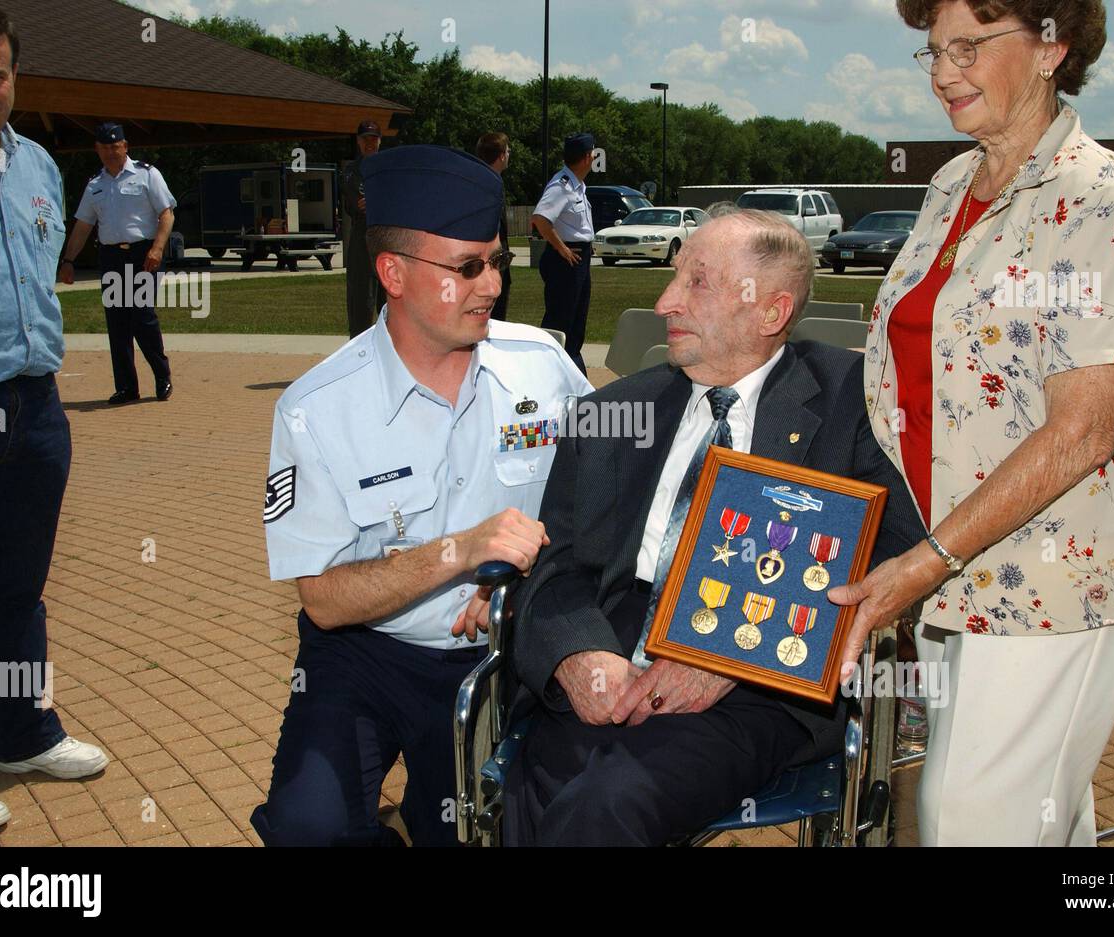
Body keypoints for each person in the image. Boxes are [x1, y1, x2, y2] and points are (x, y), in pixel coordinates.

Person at [835, 0, 1114, 846]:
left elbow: (1085, 431)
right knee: (1036, 814)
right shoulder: (952, 185)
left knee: (967, 819)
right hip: (950, 561)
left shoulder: (1099, 196)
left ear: (1051, 47)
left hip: (1052, 576)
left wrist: (924, 560)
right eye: (934, 51)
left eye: (970, 47)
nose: (945, 71)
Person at [504, 205, 924, 846]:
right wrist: (579, 657)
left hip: (754, 672)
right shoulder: (612, 412)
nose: (666, 302)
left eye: (696, 281)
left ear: (770, 312)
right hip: (612, 640)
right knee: (534, 801)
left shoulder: (852, 401)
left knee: (602, 808)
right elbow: (555, 564)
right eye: (675, 277)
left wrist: (730, 658)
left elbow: (891, 554)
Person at [250, 145, 592, 847]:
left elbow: (602, 497)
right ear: (393, 273)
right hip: (364, 654)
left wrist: (527, 576)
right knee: (306, 827)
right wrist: (460, 551)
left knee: (471, 831)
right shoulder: (316, 408)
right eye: (466, 267)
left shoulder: (543, 367)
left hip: (498, 656)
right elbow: (322, 597)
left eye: (497, 260)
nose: (491, 284)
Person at [0, 0, 108, 836]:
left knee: (17, 589)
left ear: (17, 77)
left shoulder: (42, 165)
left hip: (35, 403)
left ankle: (22, 734)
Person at [59, 122, 175, 404]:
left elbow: (167, 214)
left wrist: (157, 248)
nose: (111, 152)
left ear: (125, 146)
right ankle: (126, 387)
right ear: (97, 150)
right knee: (118, 322)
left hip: (142, 255)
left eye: (116, 147)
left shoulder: (147, 174)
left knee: (142, 317)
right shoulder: (95, 185)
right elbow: (83, 226)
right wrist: (68, 260)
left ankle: (162, 376)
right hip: (111, 257)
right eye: (105, 148)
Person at [532, 132, 596, 372]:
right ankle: (549, 370)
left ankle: (572, 369)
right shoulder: (562, 185)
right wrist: (562, 249)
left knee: (576, 322)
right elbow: (540, 218)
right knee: (561, 321)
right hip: (565, 261)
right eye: (592, 154)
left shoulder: (578, 185)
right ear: (587, 157)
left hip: (579, 258)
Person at [341, 119, 384, 337]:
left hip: (388, 239)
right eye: (365, 139)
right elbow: (354, 202)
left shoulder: (389, 167)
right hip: (362, 239)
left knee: (391, 299)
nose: (370, 143)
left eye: (374, 139)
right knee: (360, 301)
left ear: (380, 141)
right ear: (358, 141)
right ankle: (359, 352)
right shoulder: (351, 171)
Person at [475, 132, 512, 322]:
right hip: (491, 261)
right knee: (493, 314)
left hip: (497, 259)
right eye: (508, 150)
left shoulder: (489, 180)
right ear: (501, 155)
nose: (509, 154)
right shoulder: (487, 184)